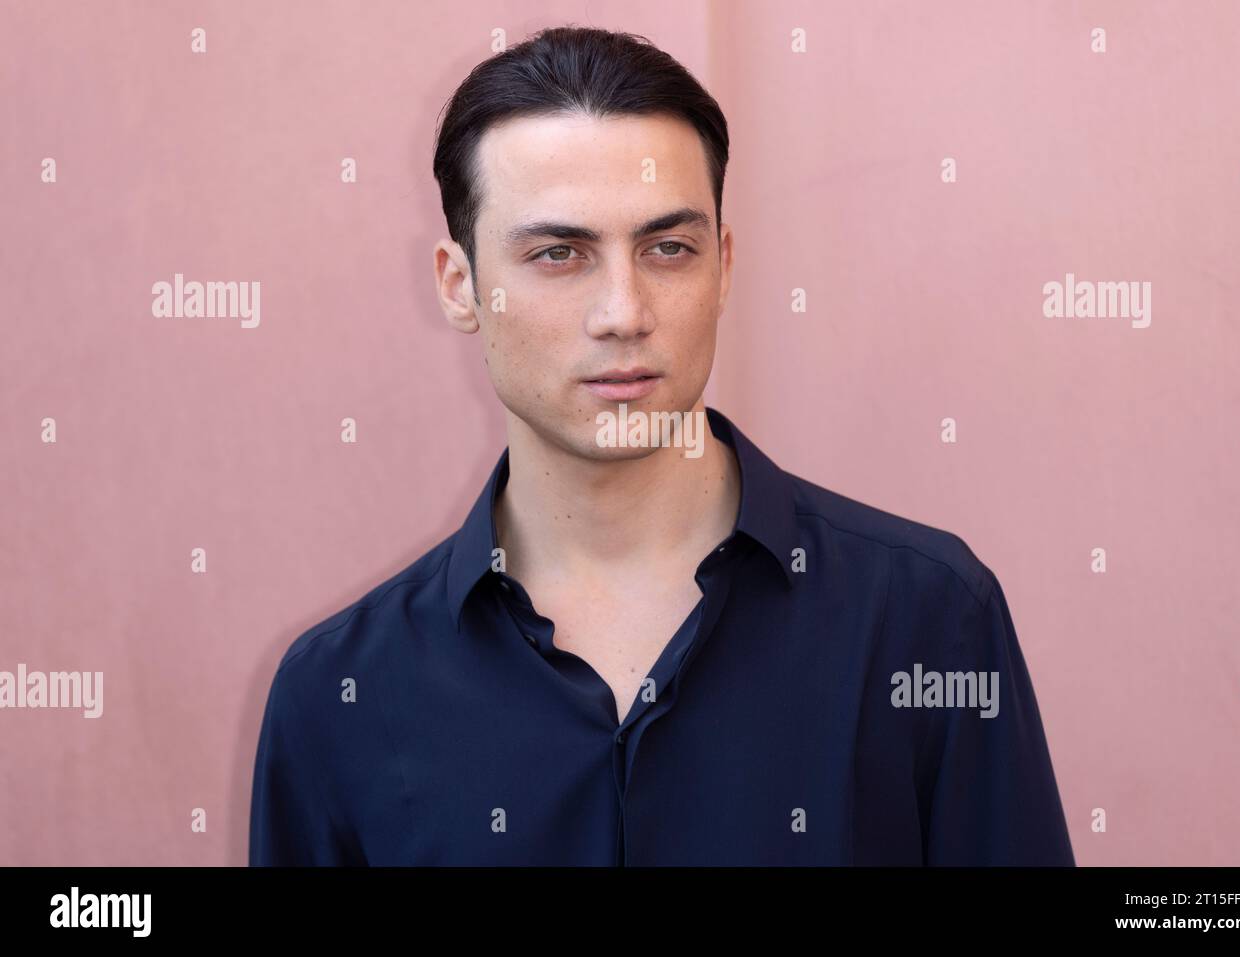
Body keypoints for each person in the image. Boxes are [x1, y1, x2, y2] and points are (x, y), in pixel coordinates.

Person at [249, 25, 1074, 866]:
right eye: (559, 253)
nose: (624, 311)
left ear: (723, 265)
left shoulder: (929, 620)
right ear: (461, 285)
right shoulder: (337, 695)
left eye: (667, 249)